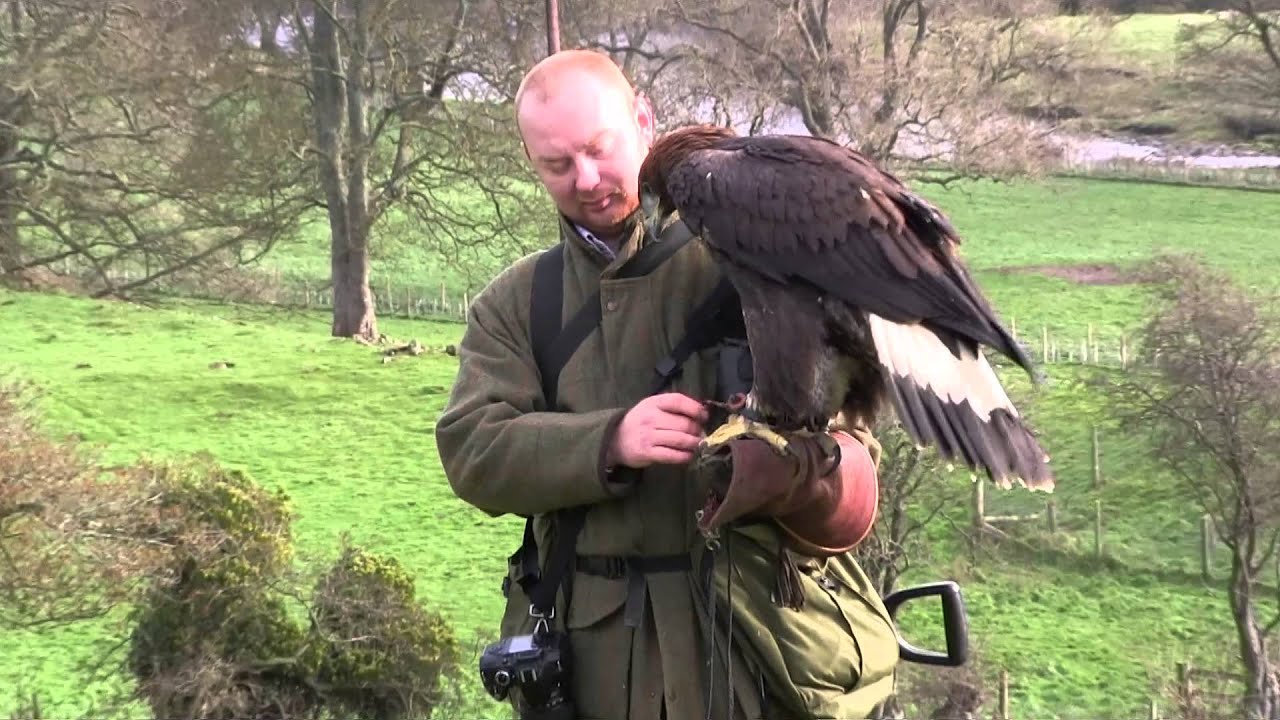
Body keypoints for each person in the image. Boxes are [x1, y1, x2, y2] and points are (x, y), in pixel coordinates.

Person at [434, 49, 893, 720]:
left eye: (599, 148)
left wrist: (793, 473)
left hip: (760, 659)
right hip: (599, 675)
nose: (587, 179)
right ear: (532, 164)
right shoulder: (519, 302)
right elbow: (472, 449)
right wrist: (609, 441)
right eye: (557, 164)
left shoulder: (752, 257)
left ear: (642, 121)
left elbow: (855, 474)